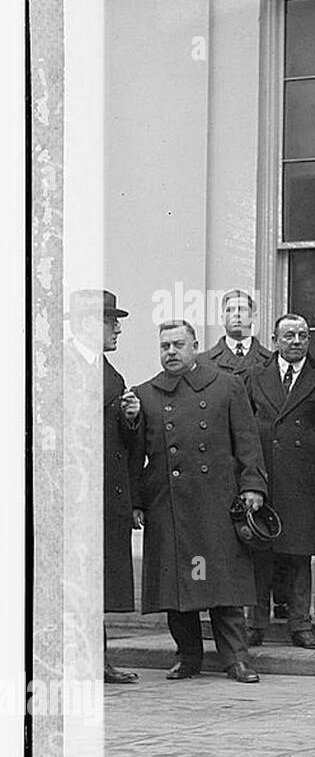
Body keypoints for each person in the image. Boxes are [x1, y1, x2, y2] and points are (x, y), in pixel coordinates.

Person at [132, 321, 267, 684]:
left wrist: (253, 485)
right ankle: (187, 656)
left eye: (178, 344)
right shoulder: (146, 394)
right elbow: (134, 454)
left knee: (223, 586)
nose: (171, 352)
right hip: (169, 506)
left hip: (217, 502)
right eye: (164, 346)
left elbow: (248, 441)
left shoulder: (226, 386)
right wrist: (137, 501)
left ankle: (236, 660)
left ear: (195, 346)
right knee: (178, 589)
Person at [243, 314, 315, 650]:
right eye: (289, 335)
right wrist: (247, 479)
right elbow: (243, 433)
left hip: (305, 480)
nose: (297, 341)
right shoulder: (255, 377)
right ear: (275, 340)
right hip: (265, 478)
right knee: (260, 554)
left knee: (299, 555)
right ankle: (255, 623)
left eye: (303, 335)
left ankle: (301, 625)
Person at [67, 289, 141, 684]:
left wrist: (130, 419)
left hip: (105, 498)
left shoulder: (111, 372)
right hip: (71, 499)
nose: (117, 329)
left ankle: (97, 662)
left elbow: (120, 443)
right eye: (111, 321)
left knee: (94, 587)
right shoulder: (55, 366)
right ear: (86, 323)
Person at [204, 289, 273, 375]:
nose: (236, 314)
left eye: (243, 309)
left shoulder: (271, 361)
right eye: (230, 310)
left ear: (253, 317)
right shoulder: (205, 362)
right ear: (222, 318)